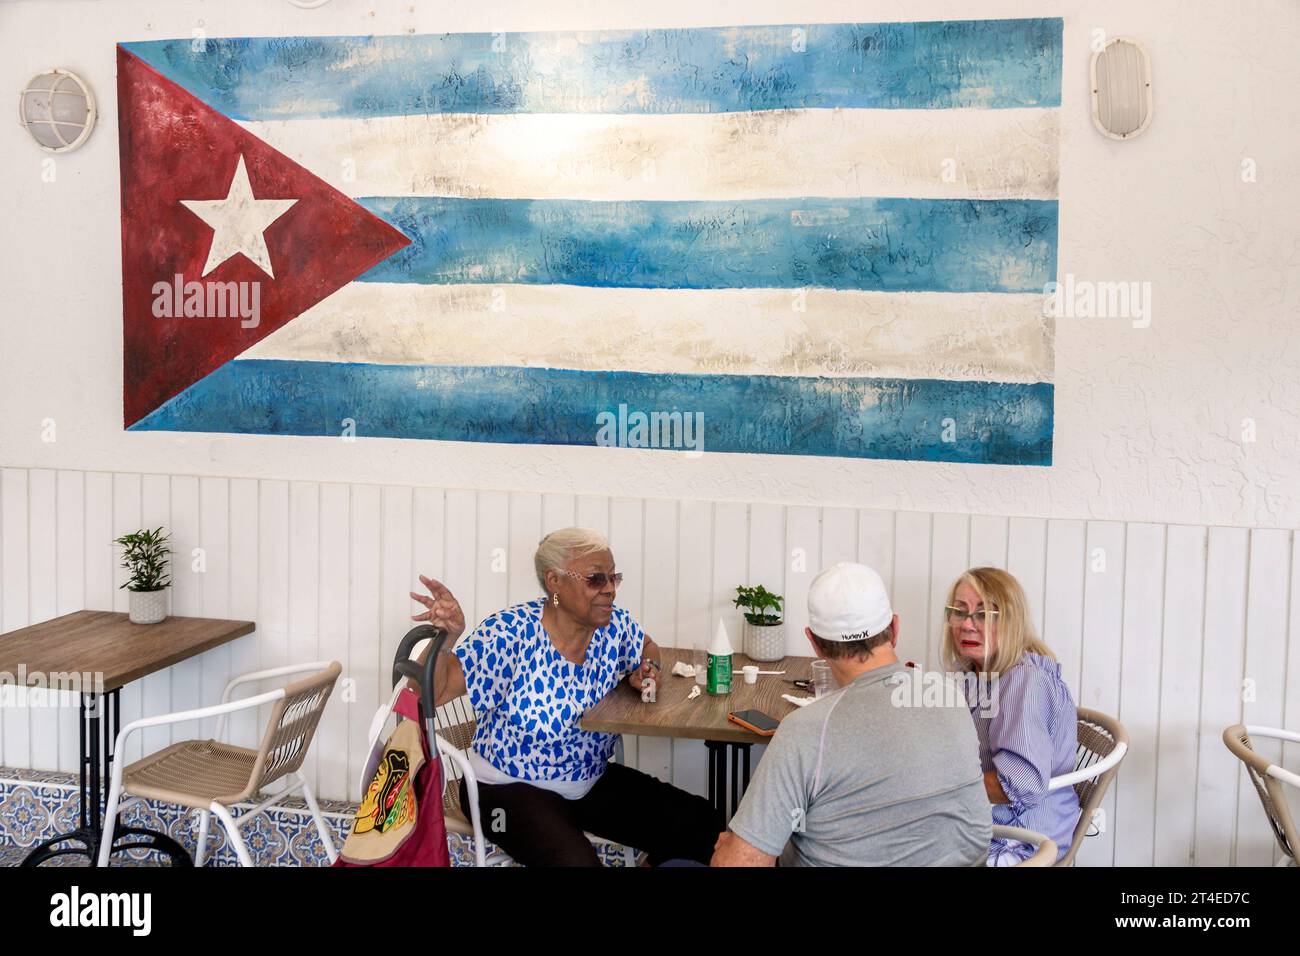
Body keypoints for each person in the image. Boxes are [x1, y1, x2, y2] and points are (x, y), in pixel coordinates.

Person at [410, 527, 722, 866]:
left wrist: (647, 668)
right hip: (505, 789)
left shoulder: (613, 626)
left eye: (614, 578)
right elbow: (431, 693)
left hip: (588, 780)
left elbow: (648, 646)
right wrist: (447, 636)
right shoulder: (511, 632)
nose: (610, 590)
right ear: (555, 581)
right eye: (595, 580)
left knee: (703, 824)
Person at [712, 562, 991, 866]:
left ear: (815, 643)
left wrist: (732, 849)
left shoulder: (805, 730)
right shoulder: (950, 696)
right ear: (895, 628)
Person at [942, 567, 1080, 865]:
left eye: (984, 614)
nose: (967, 625)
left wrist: (939, 790)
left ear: (1011, 621)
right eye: (960, 611)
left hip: (1021, 837)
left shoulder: (1025, 682)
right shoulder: (975, 674)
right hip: (983, 819)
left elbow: (1018, 784)